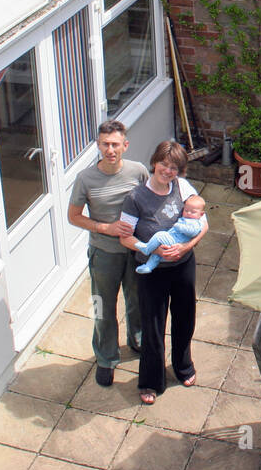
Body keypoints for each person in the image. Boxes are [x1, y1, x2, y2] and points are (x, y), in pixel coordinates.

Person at [120, 141, 208, 404]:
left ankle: (183, 367)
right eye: (164, 164)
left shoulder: (183, 188)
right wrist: (155, 252)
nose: (168, 171)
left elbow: (203, 224)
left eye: (174, 167)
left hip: (182, 266)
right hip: (152, 273)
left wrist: (185, 247)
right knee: (153, 326)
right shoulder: (135, 198)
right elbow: (125, 239)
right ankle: (150, 381)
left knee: (185, 318)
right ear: (154, 162)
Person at [67, 120, 147, 387]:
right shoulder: (85, 179)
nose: (110, 150)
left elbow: (151, 202)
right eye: (105, 144)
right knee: (102, 307)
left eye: (115, 144)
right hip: (104, 254)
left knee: (137, 300)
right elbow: (74, 217)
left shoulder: (138, 172)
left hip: (134, 252)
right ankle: (106, 357)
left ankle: (138, 341)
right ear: (98, 145)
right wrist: (106, 228)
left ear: (125, 145)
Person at [136, 196, 206, 274]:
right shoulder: (188, 219)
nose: (188, 213)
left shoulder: (196, 223)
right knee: (156, 255)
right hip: (173, 239)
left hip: (177, 242)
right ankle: (148, 266)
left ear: (201, 214)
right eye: (186, 210)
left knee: (160, 235)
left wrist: (179, 226)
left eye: (193, 212)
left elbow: (192, 232)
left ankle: (147, 249)